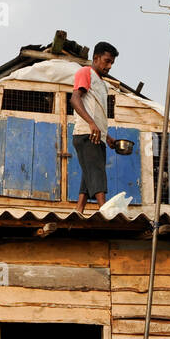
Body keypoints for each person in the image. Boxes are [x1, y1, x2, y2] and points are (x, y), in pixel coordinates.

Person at [71, 41, 119, 214]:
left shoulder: (103, 84)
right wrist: (91, 123)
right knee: (96, 170)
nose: (109, 66)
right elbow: (75, 99)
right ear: (96, 58)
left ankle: (79, 209)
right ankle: (104, 209)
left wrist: (108, 137)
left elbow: (96, 113)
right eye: (107, 61)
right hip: (86, 133)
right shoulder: (86, 72)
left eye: (112, 62)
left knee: (89, 172)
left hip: (97, 136)